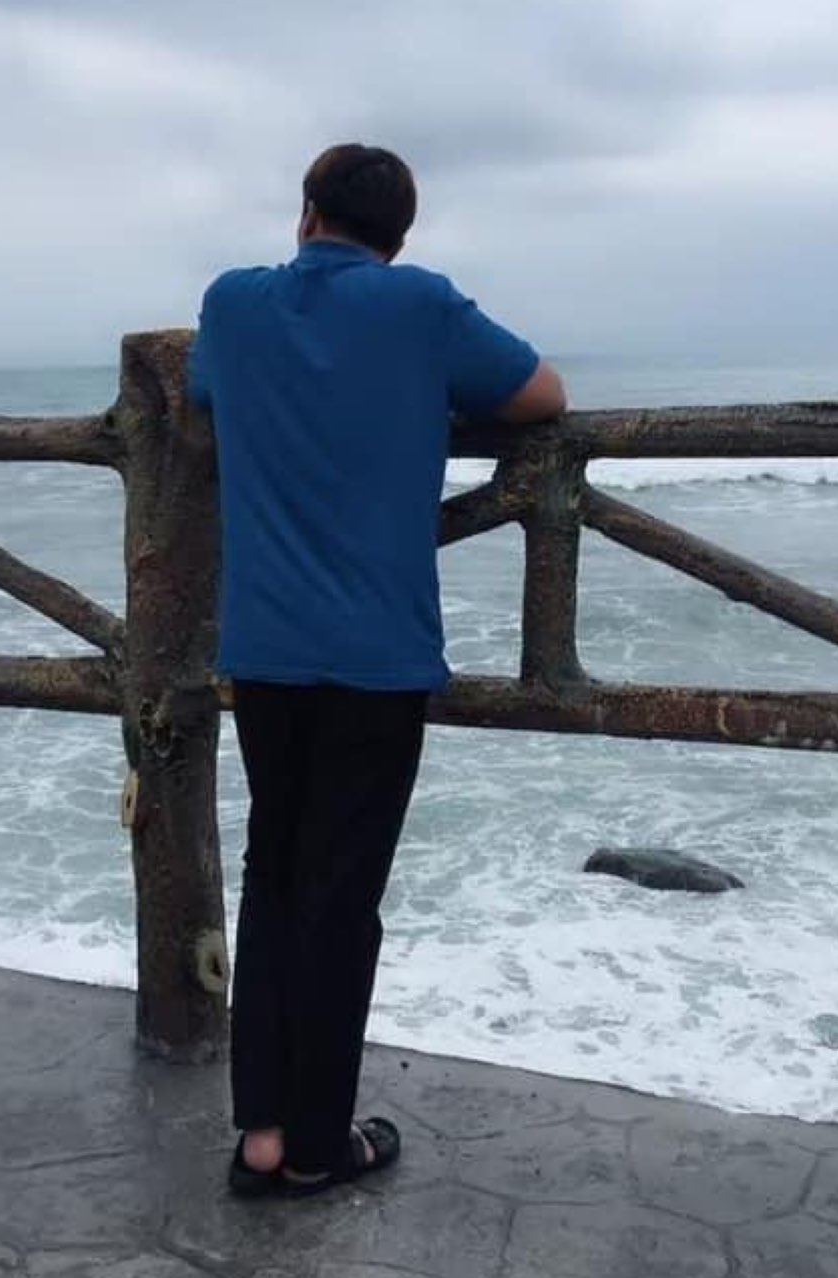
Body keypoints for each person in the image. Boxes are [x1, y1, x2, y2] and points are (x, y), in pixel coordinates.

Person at [187, 143, 566, 1197]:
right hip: (377, 655)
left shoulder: (231, 302)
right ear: (399, 237)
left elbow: (204, 392)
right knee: (341, 896)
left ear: (307, 213)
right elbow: (544, 394)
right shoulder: (421, 306)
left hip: (264, 647)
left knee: (273, 874)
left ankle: (262, 1134)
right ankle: (319, 1143)